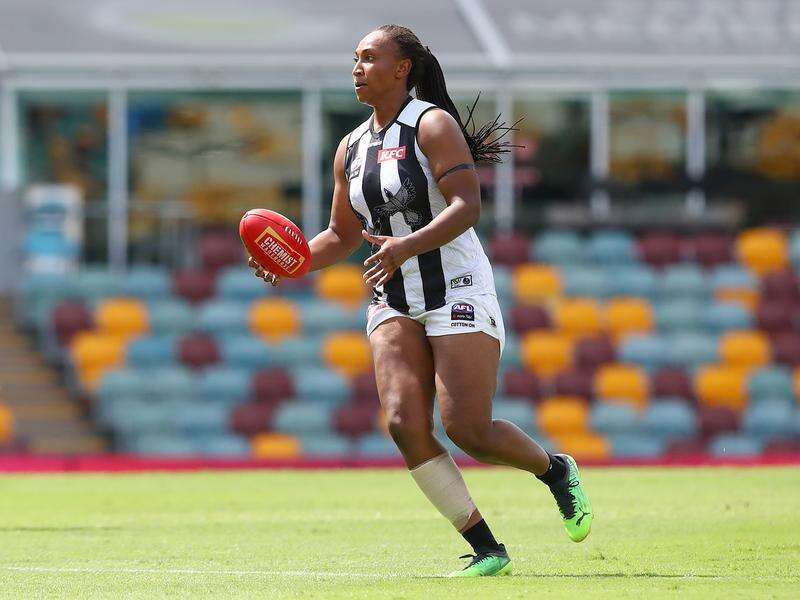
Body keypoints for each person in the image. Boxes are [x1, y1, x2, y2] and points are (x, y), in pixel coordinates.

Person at [249, 24, 592, 578]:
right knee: (403, 421)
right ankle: (487, 548)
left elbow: (467, 205)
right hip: (392, 293)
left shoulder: (432, 124)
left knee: (468, 429)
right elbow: (340, 233)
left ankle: (554, 471)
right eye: (354, 59)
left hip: (455, 285)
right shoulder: (350, 147)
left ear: (402, 67)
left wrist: (406, 243)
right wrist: (291, 262)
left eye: (368, 57)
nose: (356, 68)